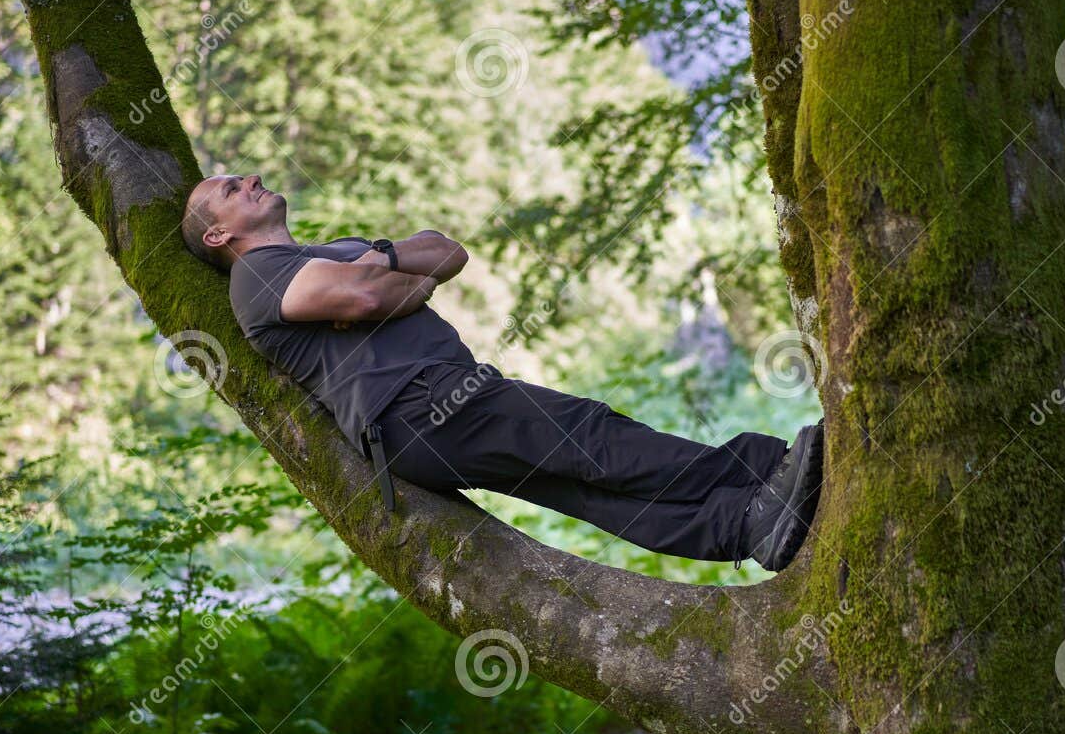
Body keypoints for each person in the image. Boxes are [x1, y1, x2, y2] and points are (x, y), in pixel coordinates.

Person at [180, 173, 824, 570]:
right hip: (419, 404)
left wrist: (380, 262)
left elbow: (446, 252)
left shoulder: (332, 252)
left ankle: (747, 528)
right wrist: (389, 281)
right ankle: (763, 471)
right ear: (217, 237)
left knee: (585, 490)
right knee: (590, 436)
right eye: (230, 191)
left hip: (422, 423)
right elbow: (375, 296)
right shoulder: (256, 273)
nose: (251, 180)